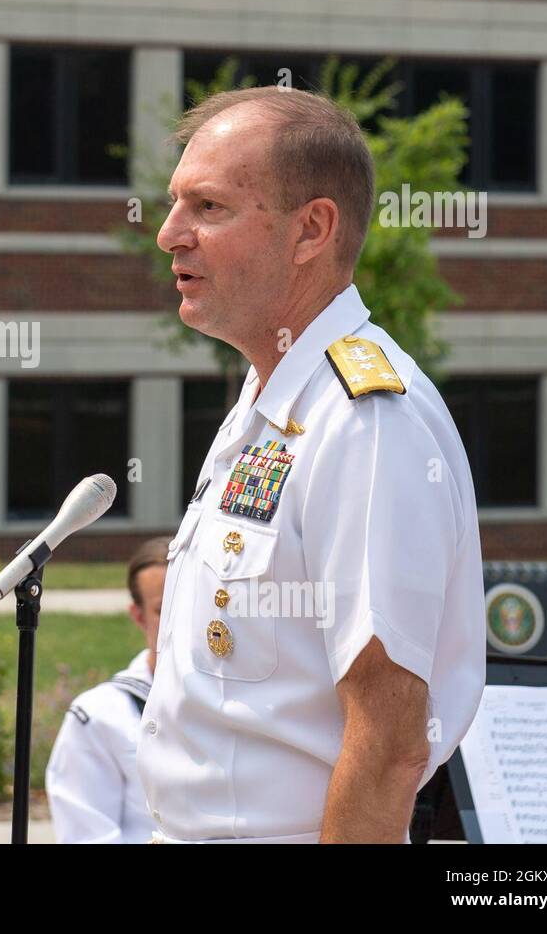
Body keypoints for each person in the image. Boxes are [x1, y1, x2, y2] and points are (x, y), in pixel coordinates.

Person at [137, 86, 484, 844]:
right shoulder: (269, 397)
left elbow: (390, 741)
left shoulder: (365, 420)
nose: (169, 234)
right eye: (173, 204)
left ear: (311, 231)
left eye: (209, 207)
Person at [45, 538, 168, 844]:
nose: (183, 622)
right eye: (165, 610)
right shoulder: (99, 716)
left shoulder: (250, 700)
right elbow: (86, 835)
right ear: (139, 617)